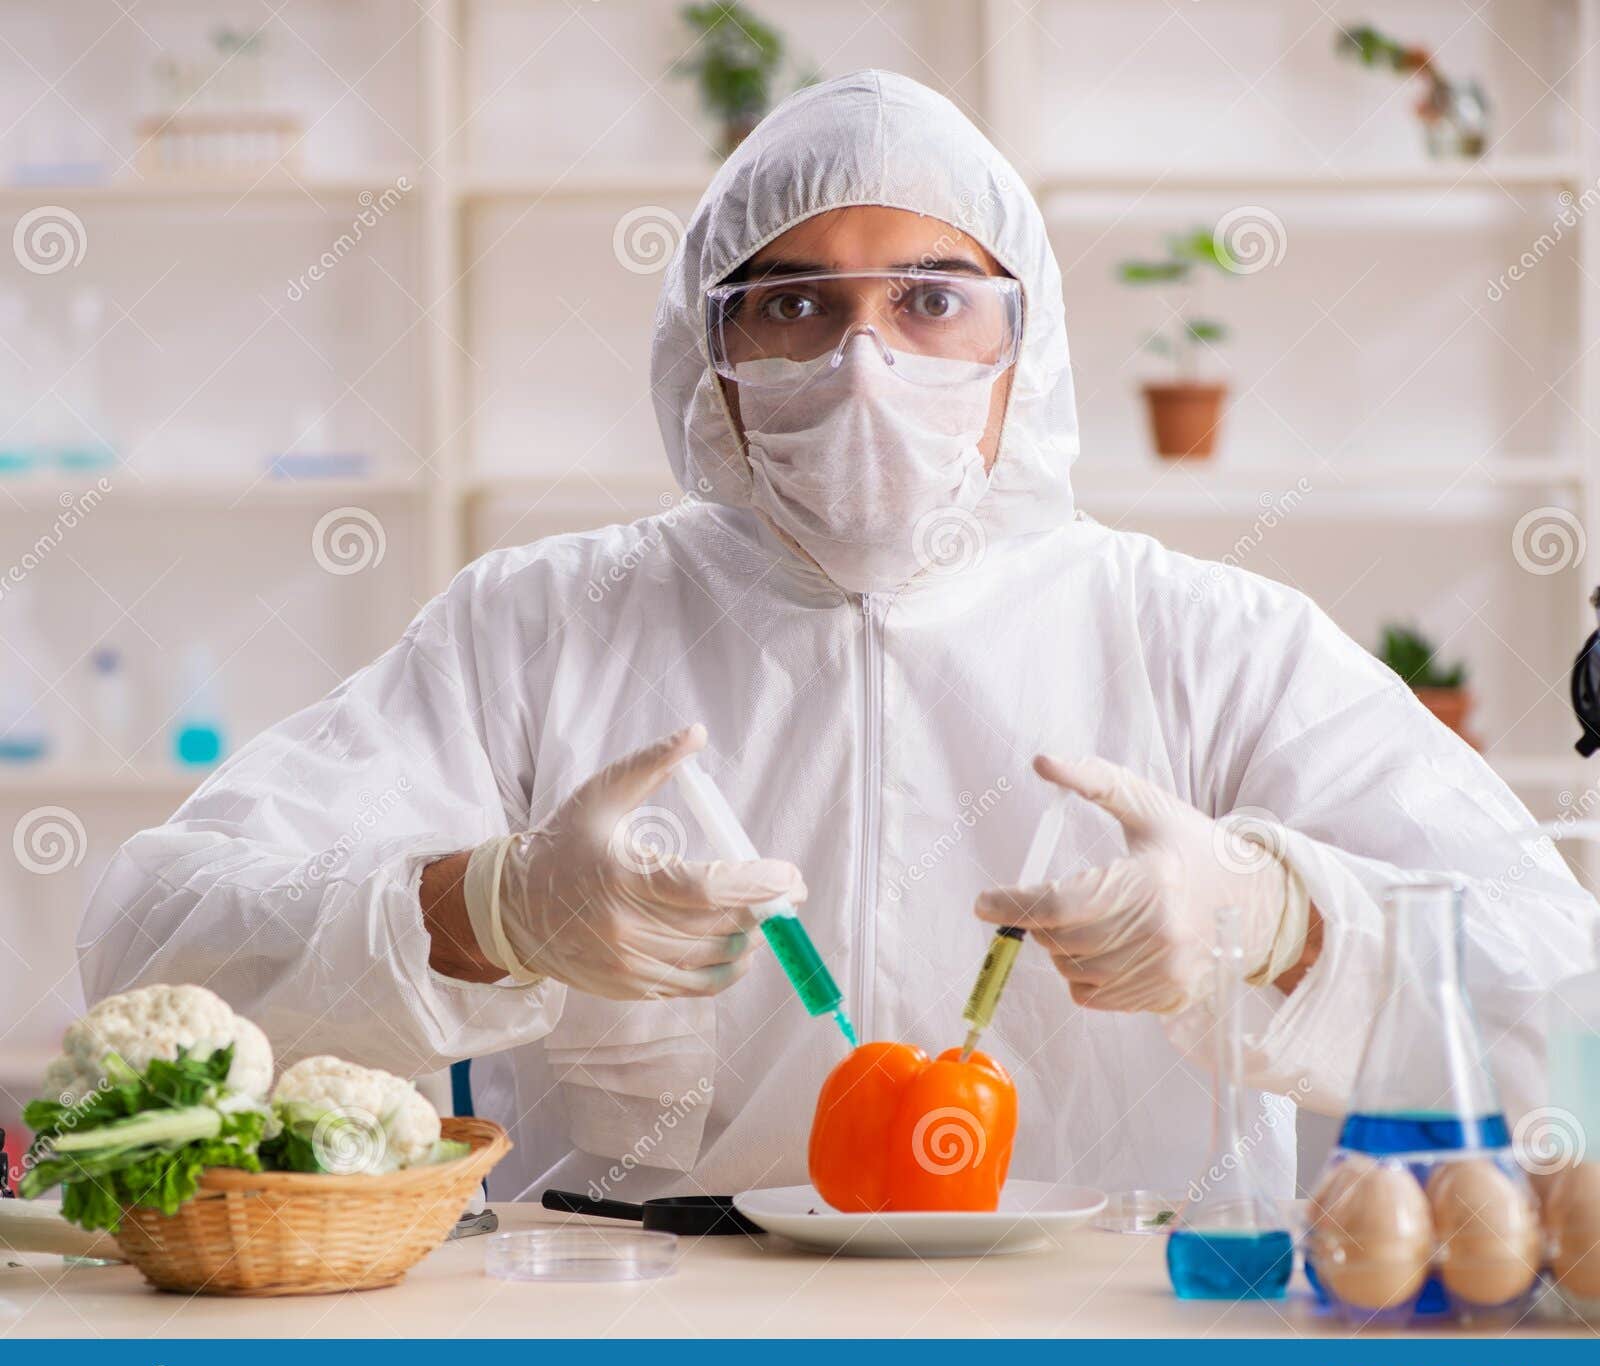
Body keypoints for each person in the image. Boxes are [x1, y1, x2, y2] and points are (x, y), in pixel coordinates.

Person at [79, 71, 1592, 1201]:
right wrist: (483, 905)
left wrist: (1282, 917)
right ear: (708, 354)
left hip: (1122, 1332)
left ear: (1026, 348)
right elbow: (151, 942)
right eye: (795, 306)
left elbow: (1564, 1013)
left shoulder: (1208, 637)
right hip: (638, 1338)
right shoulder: (537, 626)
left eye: (933, 300)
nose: (866, 361)